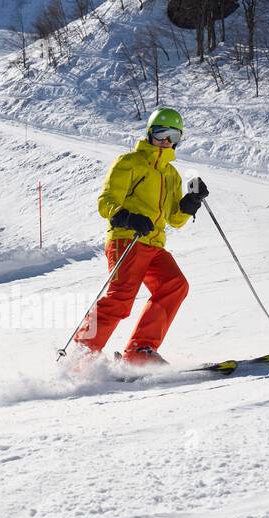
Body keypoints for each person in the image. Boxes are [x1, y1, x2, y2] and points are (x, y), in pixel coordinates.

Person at [74, 107, 208, 366]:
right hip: (128, 238)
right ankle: (82, 352)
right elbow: (106, 202)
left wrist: (191, 202)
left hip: (154, 244)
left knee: (174, 285)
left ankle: (140, 350)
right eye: (160, 133)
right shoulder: (130, 162)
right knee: (121, 297)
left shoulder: (170, 174)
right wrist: (127, 216)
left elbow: (173, 219)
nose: (166, 141)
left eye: (173, 136)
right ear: (149, 133)